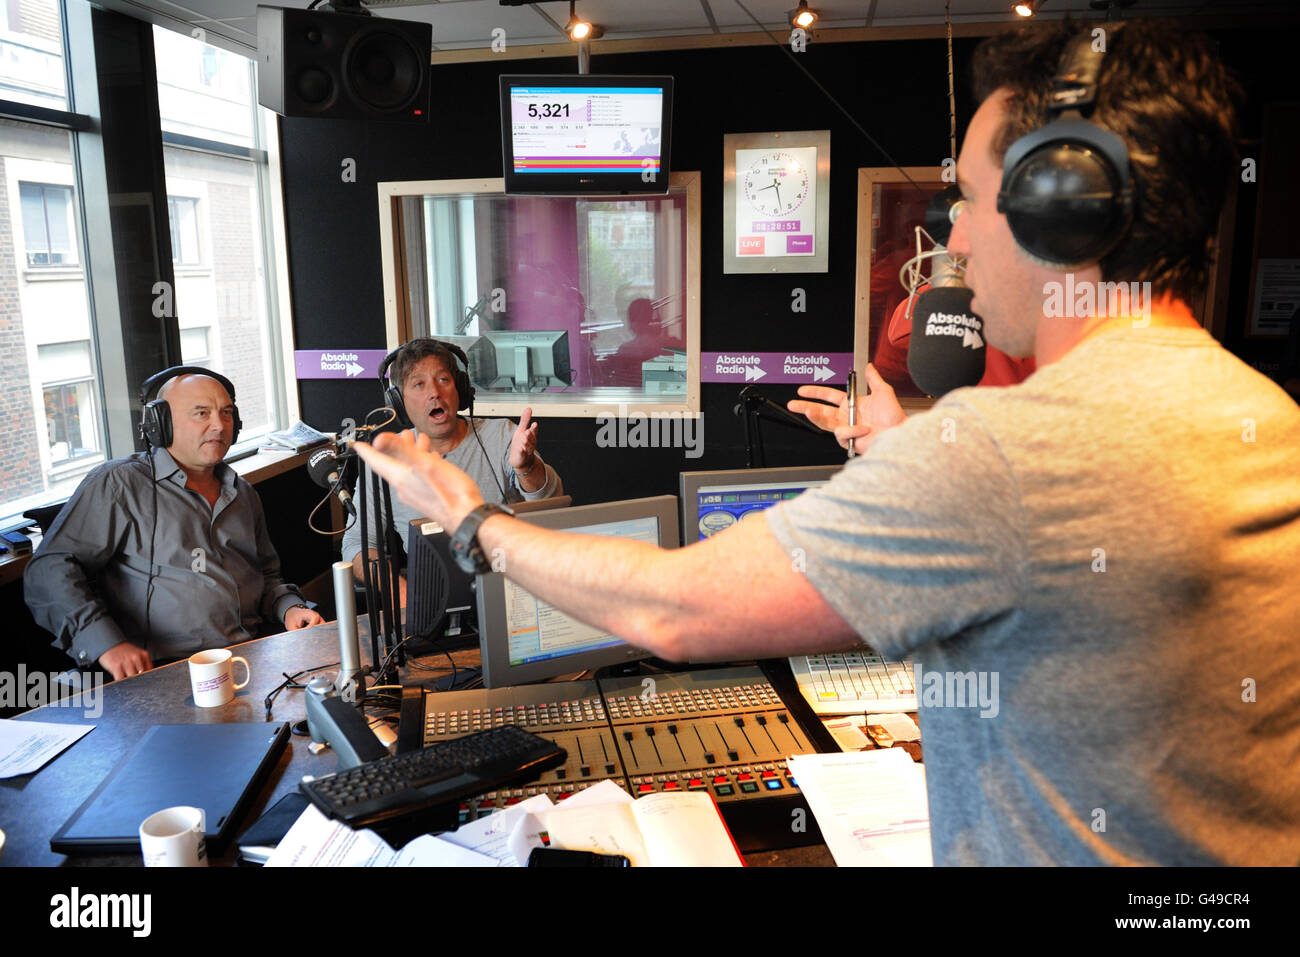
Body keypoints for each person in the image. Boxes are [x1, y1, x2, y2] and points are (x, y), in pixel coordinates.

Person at [353, 20, 1300, 866]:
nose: (955, 239)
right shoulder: (1268, 416)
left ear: (1066, 208)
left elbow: (679, 610)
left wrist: (469, 513)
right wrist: (903, 455)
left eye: (967, 198)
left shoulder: (1004, 449)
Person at [25, 369, 324, 681]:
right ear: (161, 424)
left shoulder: (242, 493)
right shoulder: (120, 484)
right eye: (201, 413)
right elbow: (48, 570)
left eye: (226, 413)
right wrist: (106, 644)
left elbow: (266, 576)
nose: (218, 425)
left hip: (251, 659)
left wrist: (290, 608)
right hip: (166, 671)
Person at [342, 338, 563, 598]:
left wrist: (526, 467)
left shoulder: (501, 434)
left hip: (512, 589)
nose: (434, 392)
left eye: (443, 380)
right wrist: (402, 594)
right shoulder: (386, 461)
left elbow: (552, 502)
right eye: (419, 384)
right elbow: (357, 543)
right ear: (399, 401)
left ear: (459, 389)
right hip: (433, 597)